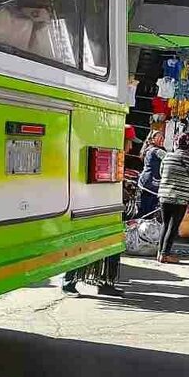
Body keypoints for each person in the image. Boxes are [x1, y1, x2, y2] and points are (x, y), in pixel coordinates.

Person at [62, 126, 136, 297]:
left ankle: (105, 283)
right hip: (92, 212)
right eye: (130, 142)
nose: (131, 147)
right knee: (83, 247)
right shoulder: (106, 156)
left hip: (109, 212)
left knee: (112, 248)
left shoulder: (116, 157)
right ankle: (69, 282)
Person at [157, 135, 189, 264]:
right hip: (181, 197)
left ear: (176, 144)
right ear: (188, 146)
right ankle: (165, 254)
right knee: (173, 225)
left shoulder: (167, 157)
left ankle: (160, 253)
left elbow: (161, 172)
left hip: (164, 195)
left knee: (165, 223)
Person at [138, 130, 165, 218]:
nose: (163, 140)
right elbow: (169, 158)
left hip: (145, 182)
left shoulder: (147, 149)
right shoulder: (156, 151)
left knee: (144, 209)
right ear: (152, 139)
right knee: (148, 211)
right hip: (151, 184)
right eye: (160, 137)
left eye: (163, 138)